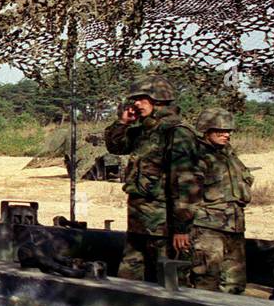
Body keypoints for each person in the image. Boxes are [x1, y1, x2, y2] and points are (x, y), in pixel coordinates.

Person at [103, 76, 198, 281]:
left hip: (164, 228)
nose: (136, 104)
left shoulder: (177, 133)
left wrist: (181, 228)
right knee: (130, 282)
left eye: (141, 98)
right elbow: (115, 146)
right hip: (138, 225)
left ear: (159, 99)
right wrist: (123, 122)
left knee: (167, 283)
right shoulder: (144, 132)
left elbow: (184, 183)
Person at [179, 107, 253, 293]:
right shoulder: (196, 156)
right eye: (221, 130)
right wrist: (181, 230)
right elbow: (186, 196)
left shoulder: (229, 156)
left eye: (229, 131)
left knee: (235, 284)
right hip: (207, 231)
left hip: (234, 227)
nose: (226, 134)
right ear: (206, 130)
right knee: (206, 282)